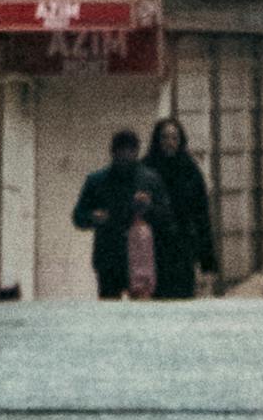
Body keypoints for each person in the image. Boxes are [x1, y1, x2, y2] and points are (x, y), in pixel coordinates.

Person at [142, 110, 219, 300]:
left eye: (174, 137)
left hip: (182, 249)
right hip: (153, 249)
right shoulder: (145, 169)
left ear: (181, 140)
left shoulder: (190, 171)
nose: (170, 142)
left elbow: (201, 216)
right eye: (165, 137)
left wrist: (207, 261)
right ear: (157, 140)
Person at [72, 126, 154, 298]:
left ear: (136, 152)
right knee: (109, 310)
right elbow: (78, 216)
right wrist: (93, 217)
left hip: (140, 258)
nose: (125, 156)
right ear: (113, 153)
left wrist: (148, 207)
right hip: (108, 258)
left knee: (141, 314)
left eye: (129, 151)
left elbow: (164, 215)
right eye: (120, 152)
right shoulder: (96, 181)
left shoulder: (148, 180)